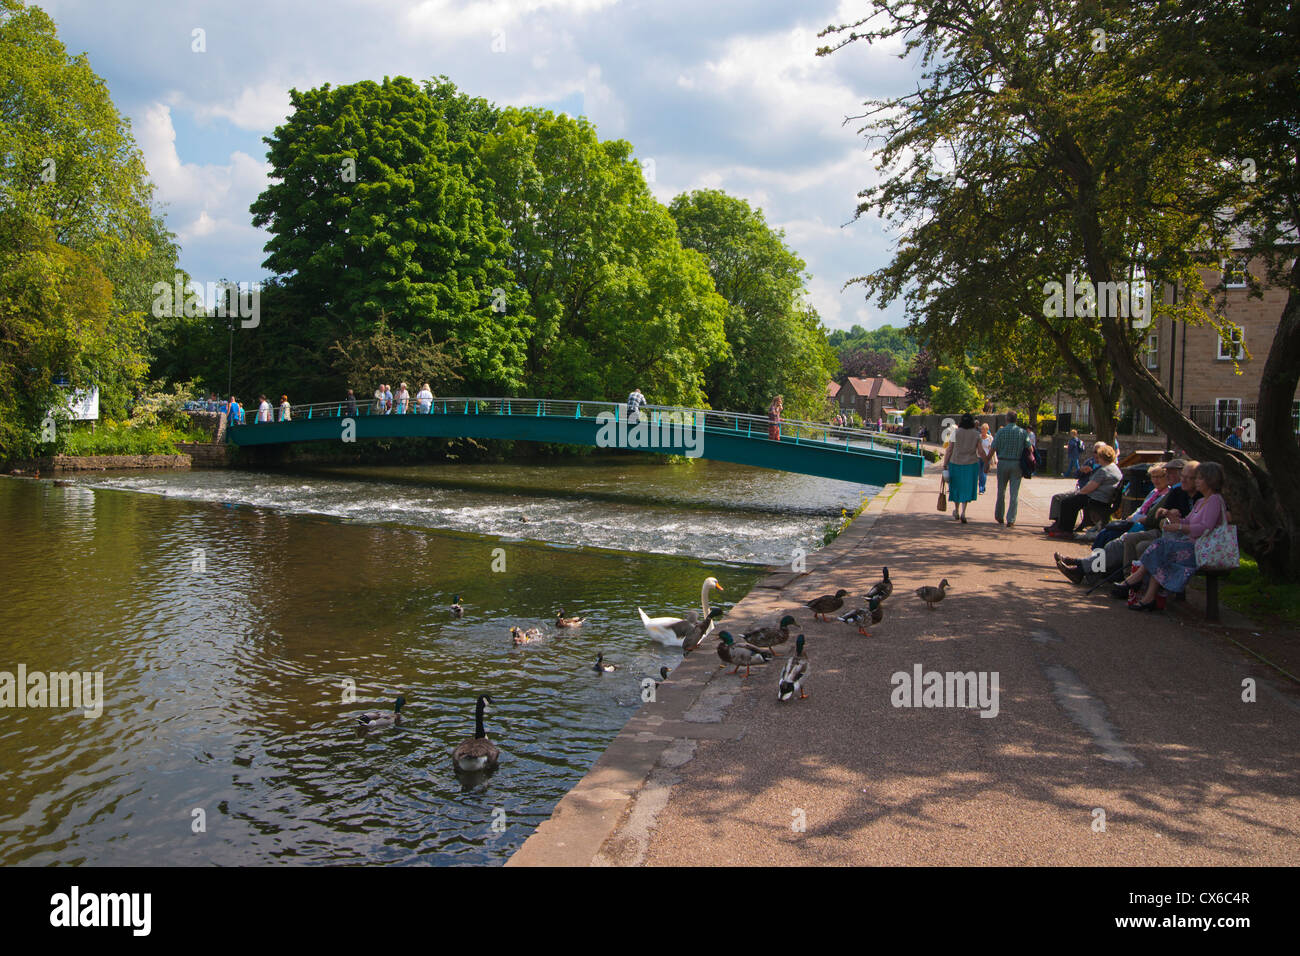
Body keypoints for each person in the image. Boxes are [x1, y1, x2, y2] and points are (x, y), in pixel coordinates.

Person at [1113, 462, 1228, 611]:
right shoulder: (1201, 501)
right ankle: (1148, 598)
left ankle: (1134, 580)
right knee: (1161, 548)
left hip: (1205, 551)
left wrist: (1179, 527)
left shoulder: (1214, 500)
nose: (1197, 481)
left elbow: (1205, 528)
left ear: (1210, 480)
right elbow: (1188, 521)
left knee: (1161, 546)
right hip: (1192, 546)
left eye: (1199, 478)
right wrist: (1171, 516)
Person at [1043, 444, 1122, 537]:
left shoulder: (1104, 470)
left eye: (1099, 456)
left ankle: (1065, 530)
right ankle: (1062, 527)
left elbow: (1090, 487)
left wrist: (1079, 493)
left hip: (1097, 499)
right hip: (1105, 499)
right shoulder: (1115, 469)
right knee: (1072, 500)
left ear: (1102, 457)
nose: (1097, 459)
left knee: (1068, 502)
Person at [943, 413, 984, 524]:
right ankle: (964, 512)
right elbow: (980, 451)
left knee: (956, 487)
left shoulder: (955, 433)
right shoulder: (976, 434)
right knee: (967, 487)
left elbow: (949, 450)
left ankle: (956, 510)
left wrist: (945, 463)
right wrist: (987, 461)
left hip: (956, 463)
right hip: (971, 464)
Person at [991, 411, 1029, 526]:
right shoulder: (1022, 432)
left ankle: (999, 516)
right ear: (1016, 420)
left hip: (1002, 462)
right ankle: (1011, 519)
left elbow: (993, 447)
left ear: (1006, 419)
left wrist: (987, 461)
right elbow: (1030, 448)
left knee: (1001, 490)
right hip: (1016, 464)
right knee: (1014, 493)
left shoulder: (1001, 432)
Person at [977, 422, 993, 495]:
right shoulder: (978, 437)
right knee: (980, 473)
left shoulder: (990, 438)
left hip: (987, 458)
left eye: (984, 429)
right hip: (979, 457)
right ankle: (981, 488)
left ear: (987, 430)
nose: (982, 431)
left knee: (984, 473)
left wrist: (994, 459)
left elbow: (992, 449)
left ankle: (982, 487)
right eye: (982, 429)